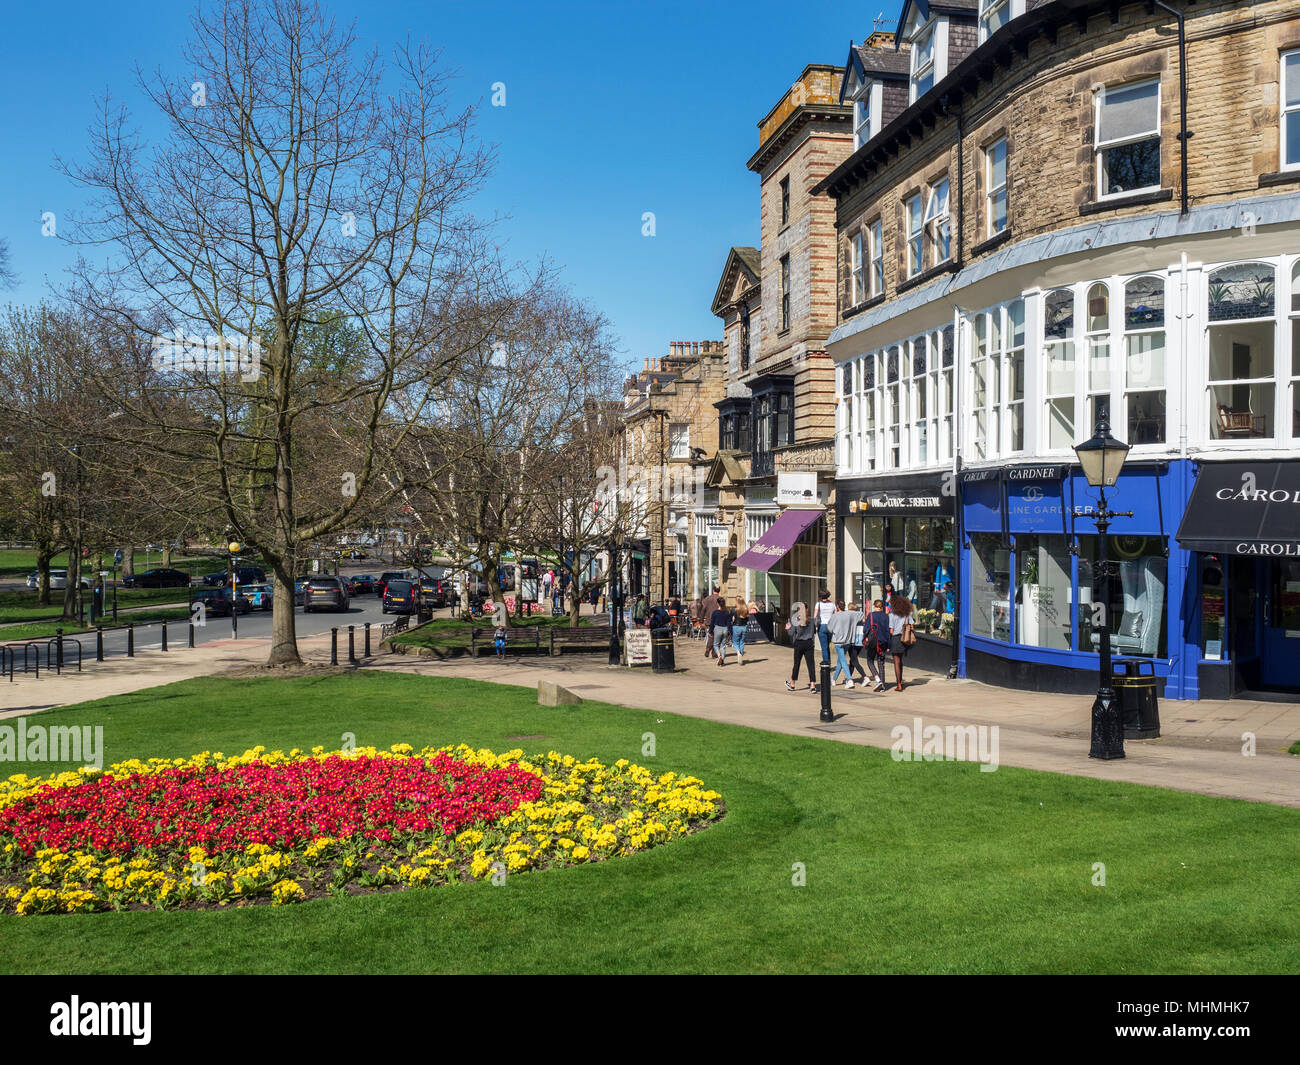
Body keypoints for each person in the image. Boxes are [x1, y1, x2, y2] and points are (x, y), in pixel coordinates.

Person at [827, 599, 861, 689]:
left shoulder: (835, 616)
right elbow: (861, 614)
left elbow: (829, 628)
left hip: (838, 641)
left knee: (843, 661)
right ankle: (833, 679)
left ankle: (849, 680)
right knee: (840, 661)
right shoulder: (850, 614)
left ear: (837, 606)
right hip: (848, 641)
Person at [785, 601, 817, 692]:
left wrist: (788, 628)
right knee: (811, 665)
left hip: (799, 644)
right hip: (809, 643)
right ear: (807, 609)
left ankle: (792, 684)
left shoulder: (796, 621)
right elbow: (814, 631)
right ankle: (812, 685)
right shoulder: (812, 620)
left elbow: (791, 633)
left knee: (796, 664)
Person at [889, 593, 915, 691]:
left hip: (896, 639)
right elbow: (912, 626)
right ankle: (900, 679)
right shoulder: (906, 614)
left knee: (896, 662)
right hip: (905, 639)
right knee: (900, 660)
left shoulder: (892, 615)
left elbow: (891, 631)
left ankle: (899, 684)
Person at [863, 599, 890, 692]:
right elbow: (887, 631)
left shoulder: (870, 615)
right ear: (882, 607)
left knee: (870, 661)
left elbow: (865, 629)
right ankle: (882, 686)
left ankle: (877, 679)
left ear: (874, 606)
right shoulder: (886, 616)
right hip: (883, 642)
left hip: (872, 642)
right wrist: (888, 645)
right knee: (881, 664)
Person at [847, 601, 869, 684]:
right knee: (852, 660)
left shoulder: (850, 616)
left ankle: (865, 676)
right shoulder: (861, 615)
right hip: (860, 641)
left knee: (854, 660)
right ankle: (849, 678)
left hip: (852, 641)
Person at [710, 597, 733, 667]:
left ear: (718, 604)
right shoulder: (727, 612)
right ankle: (722, 661)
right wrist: (731, 632)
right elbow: (729, 623)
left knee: (715, 645)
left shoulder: (715, 612)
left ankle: (719, 656)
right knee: (723, 646)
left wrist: (710, 631)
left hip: (717, 629)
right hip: (725, 629)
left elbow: (712, 623)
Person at [814, 589, 835, 665]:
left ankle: (826, 663)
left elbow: (815, 616)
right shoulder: (832, 604)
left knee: (824, 646)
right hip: (830, 626)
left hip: (822, 626)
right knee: (827, 645)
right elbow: (835, 615)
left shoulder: (818, 604)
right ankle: (828, 661)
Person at [701, 585, 721, 659]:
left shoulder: (707, 599)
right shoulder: (720, 599)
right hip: (718, 620)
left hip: (709, 620)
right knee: (717, 637)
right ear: (719, 591)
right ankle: (713, 653)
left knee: (711, 635)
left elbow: (703, 610)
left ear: (713, 590)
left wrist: (701, 620)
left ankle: (708, 649)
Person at [731, 598, 750, 667]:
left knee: (735, 642)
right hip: (744, 627)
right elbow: (748, 619)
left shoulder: (734, 609)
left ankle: (739, 653)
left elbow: (731, 618)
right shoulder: (746, 609)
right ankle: (741, 655)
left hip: (736, 627)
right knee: (742, 642)